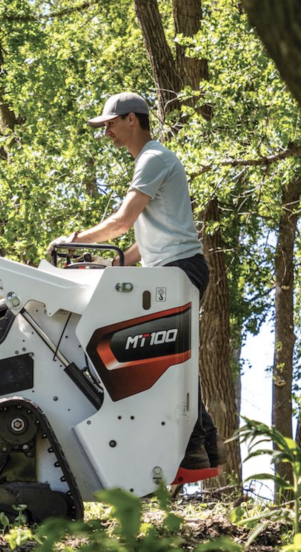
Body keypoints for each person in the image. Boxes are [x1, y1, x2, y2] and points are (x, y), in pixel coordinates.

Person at [48, 92, 219, 472]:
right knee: (171, 367)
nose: (106, 132)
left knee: (160, 366)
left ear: (131, 119)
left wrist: (73, 241)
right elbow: (147, 240)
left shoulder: (153, 158)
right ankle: (201, 460)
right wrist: (113, 266)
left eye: (109, 124)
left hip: (178, 271)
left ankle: (193, 456)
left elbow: (122, 222)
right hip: (169, 269)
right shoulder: (150, 160)